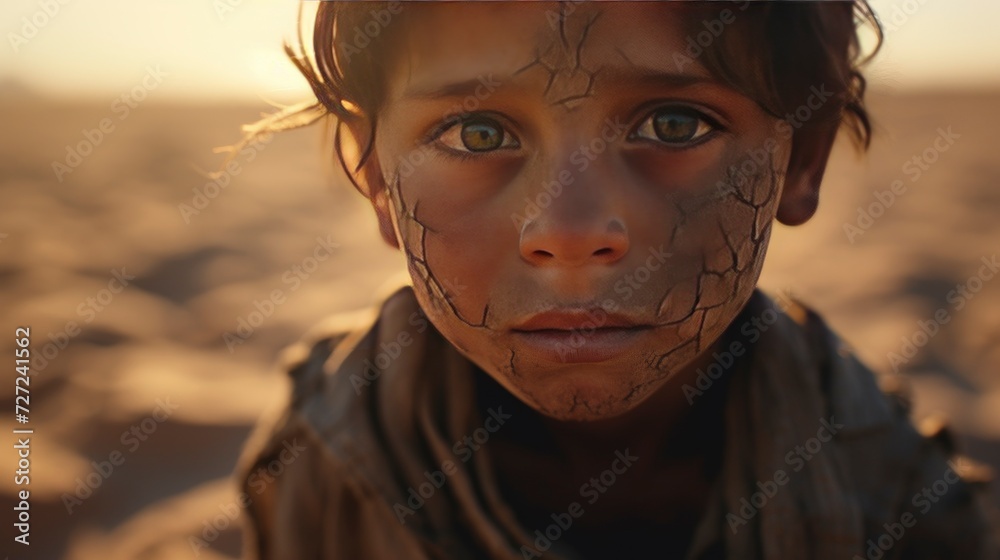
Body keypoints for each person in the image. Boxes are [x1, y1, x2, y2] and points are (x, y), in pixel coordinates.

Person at [233, 2, 996, 558]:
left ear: (802, 160)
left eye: (673, 125)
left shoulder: (881, 480)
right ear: (376, 177)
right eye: (479, 133)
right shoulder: (324, 457)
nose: (569, 232)